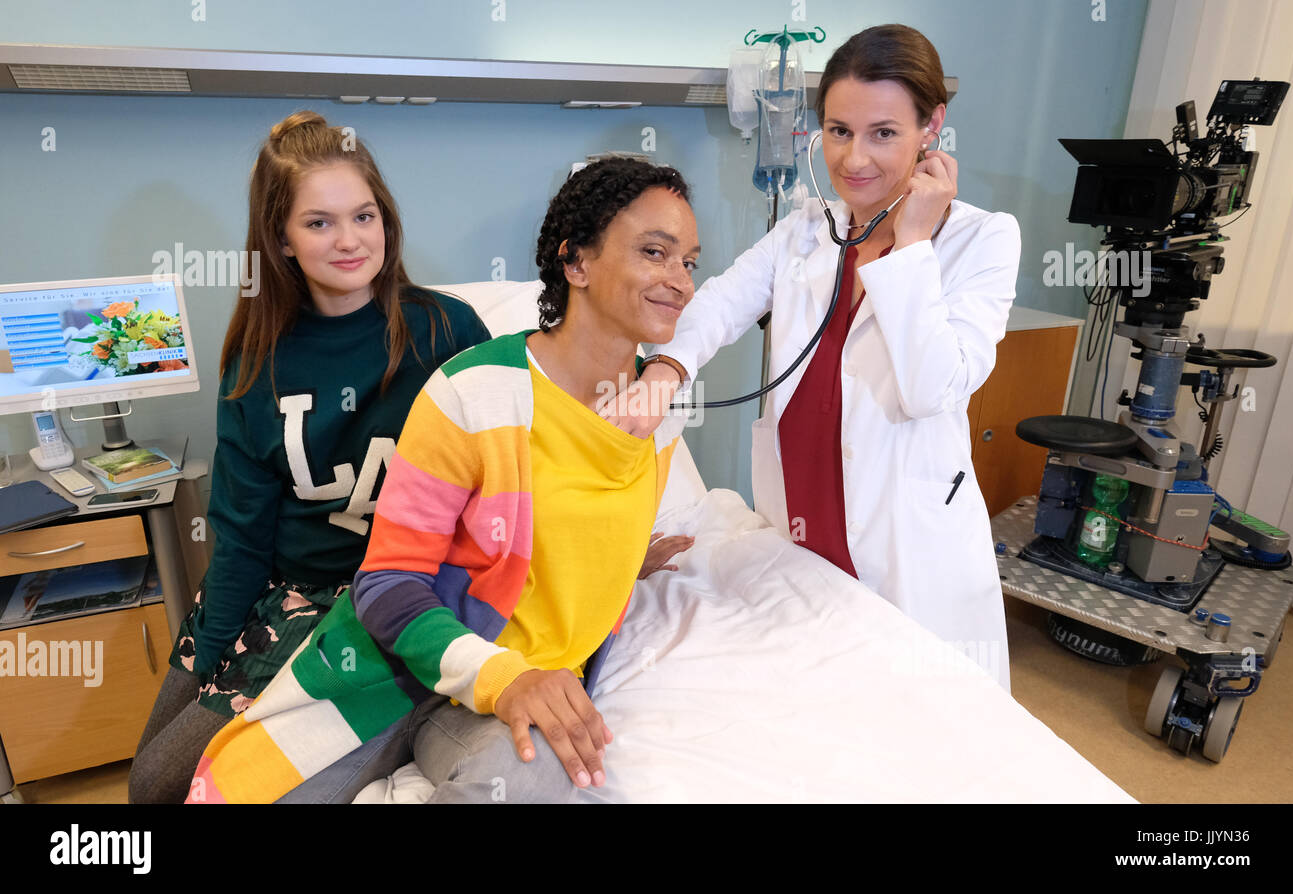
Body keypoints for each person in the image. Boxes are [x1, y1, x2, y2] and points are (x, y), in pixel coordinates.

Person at [184, 157, 699, 803]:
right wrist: (503, 676)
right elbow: (388, 581)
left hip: (512, 692)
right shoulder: (475, 392)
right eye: (656, 252)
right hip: (407, 665)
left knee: (525, 776)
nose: (679, 280)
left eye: (690, 263)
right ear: (576, 263)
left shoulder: (663, 409)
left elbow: (572, 527)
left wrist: (622, 562)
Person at [602, 24, 1021, 691]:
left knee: (912, 722)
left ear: (932, 126)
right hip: (801, 513)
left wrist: (911, 245)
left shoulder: (982, 241)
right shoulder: (806, 227)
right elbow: (719, 303)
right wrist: (665, 371)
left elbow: (930, 387)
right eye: (837, 130)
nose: (854, 159)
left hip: (902, 540)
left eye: (883, 132)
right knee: (817, 707)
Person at [128, 111, 492, 803]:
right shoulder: (256, 359)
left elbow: (517, 466)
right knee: (146, 777)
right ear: (282, 241)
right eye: (319, 223)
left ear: (385, 219)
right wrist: (213, 664)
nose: (350, 240)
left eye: (364, 216)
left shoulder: (447, 331)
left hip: (369, 606)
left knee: (159, 785)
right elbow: (239, 534)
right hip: (272, 587)